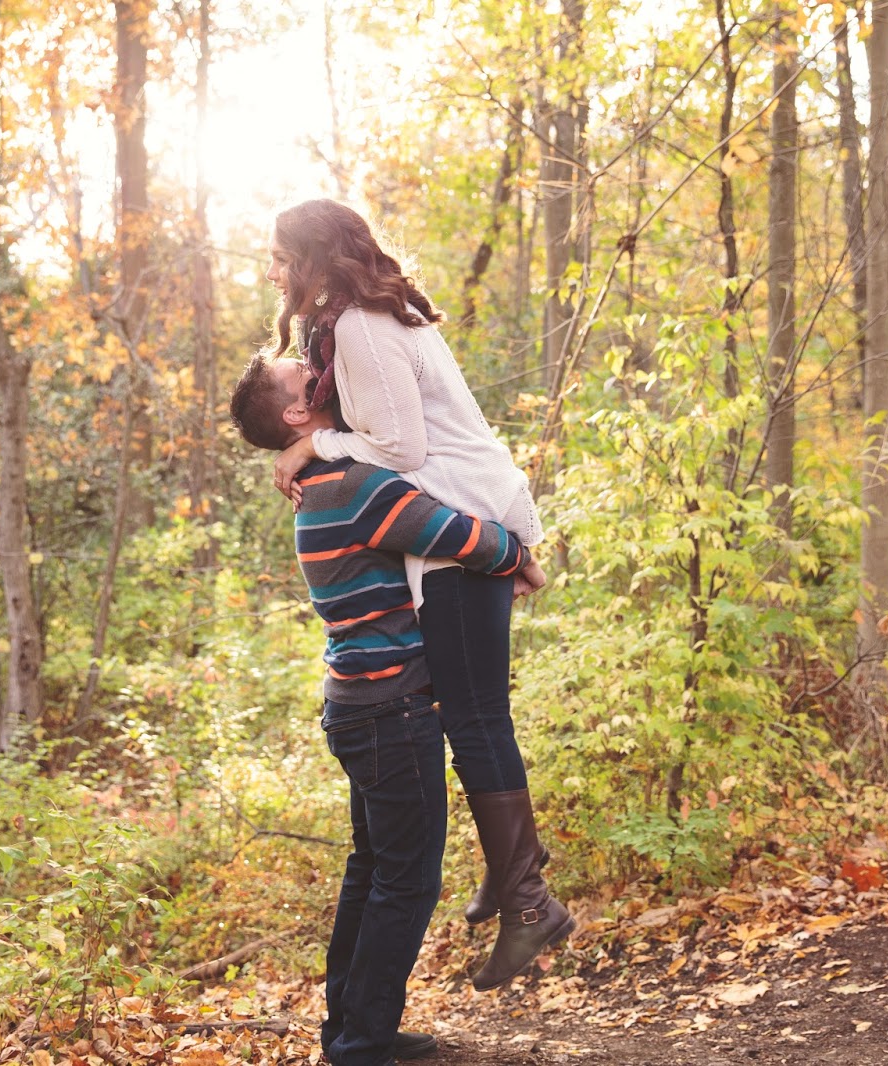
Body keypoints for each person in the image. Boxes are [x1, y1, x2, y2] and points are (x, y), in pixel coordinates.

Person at [262, 199, 572, 991]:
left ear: (312, 258)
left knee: (471, 717)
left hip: (458, 520)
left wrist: (312, 442)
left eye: (277, 257)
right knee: (472, 711)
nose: (270, 273)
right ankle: (512, 869)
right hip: (458, 523)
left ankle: (528, 900)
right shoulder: (353, 322)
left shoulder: (362, 325)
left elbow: (402, 448)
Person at [229, 353, 539, 1066]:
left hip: (360, 707)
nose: (318, 367)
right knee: (407, 878)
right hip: (391, 711)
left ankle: (354, 1026)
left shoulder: (323, 481)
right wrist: (515, 548)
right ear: (296, 414)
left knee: (373, 870)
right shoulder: (356, 489)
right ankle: (361, 1044)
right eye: (301, 373)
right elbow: (470, 540)